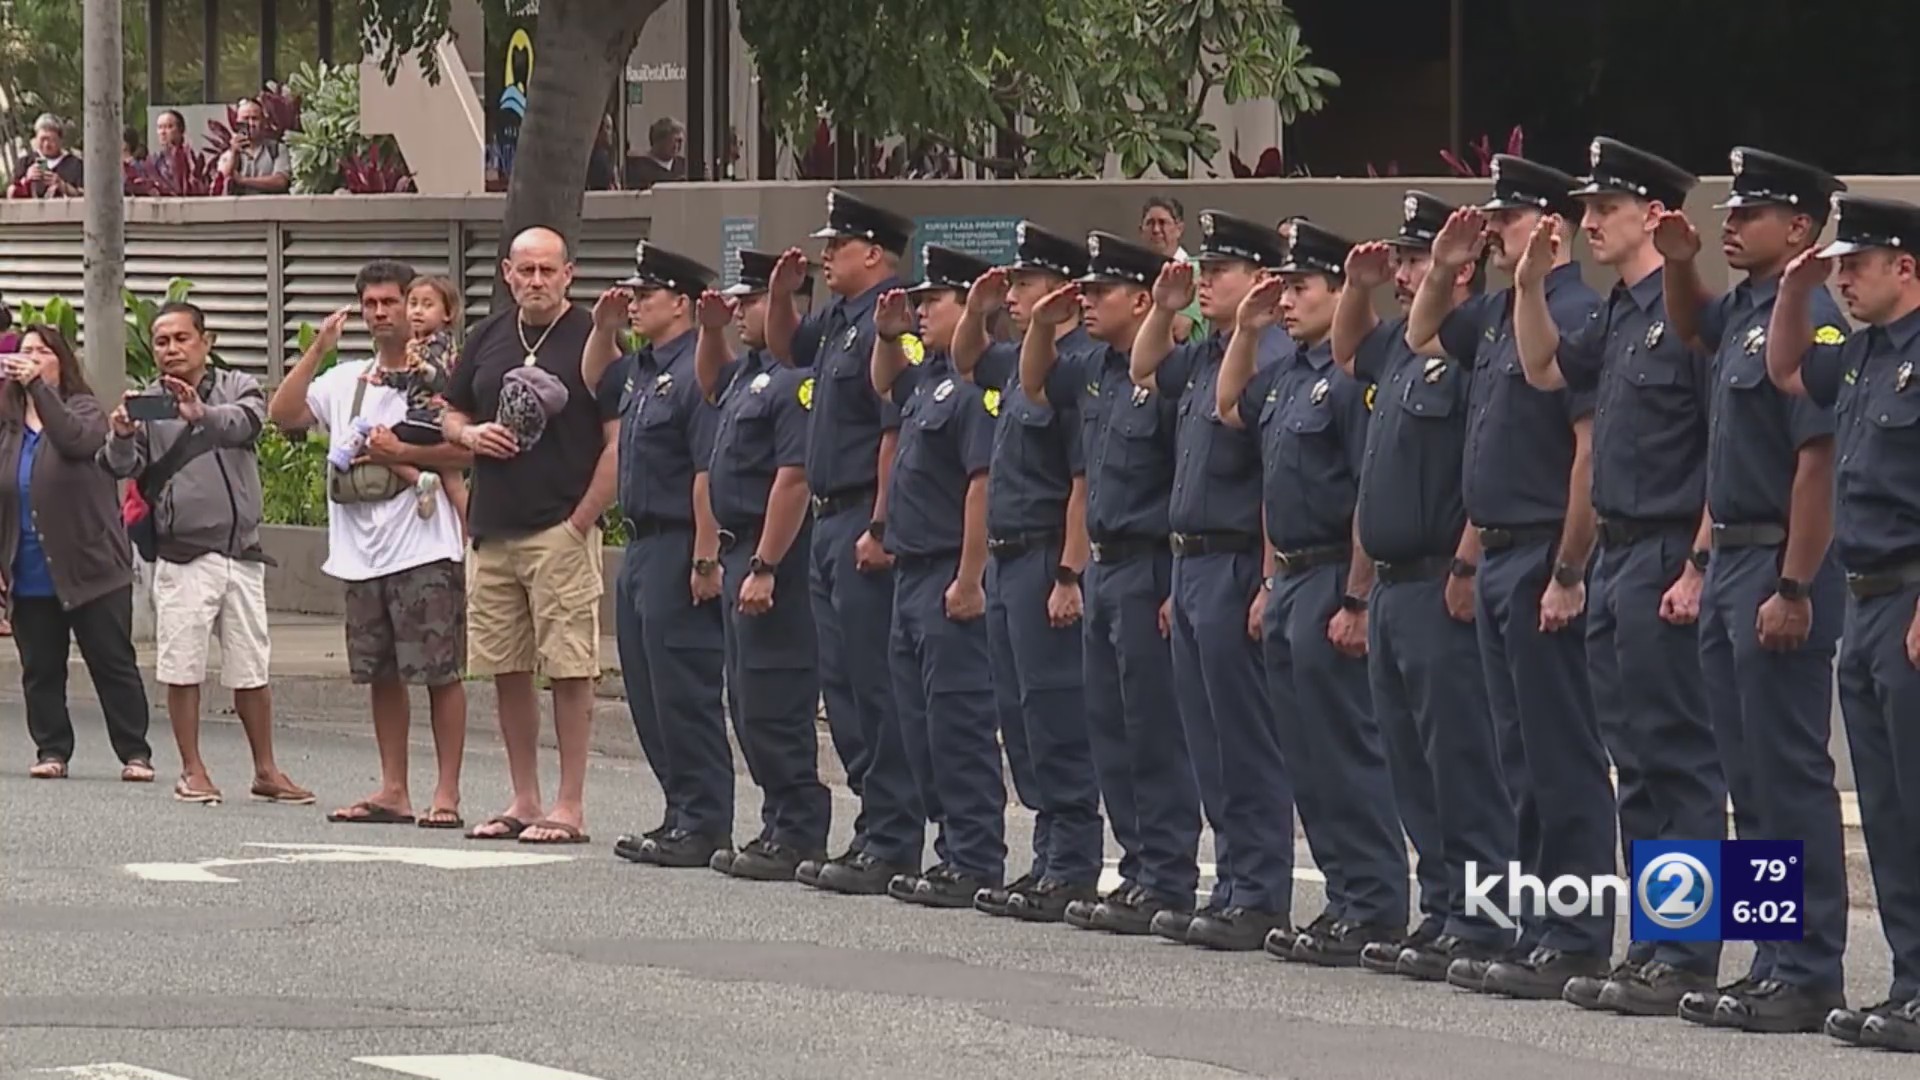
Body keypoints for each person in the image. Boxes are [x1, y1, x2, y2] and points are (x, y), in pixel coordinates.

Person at [1510, 137, 1730, 1008]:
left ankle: (1695, 947)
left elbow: (1727, 448)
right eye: (1585, 209)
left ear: (1654, 216)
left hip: (1672, 549)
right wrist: (1528, 286)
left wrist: (1701, 561)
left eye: (1605, 208)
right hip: (1620, 556)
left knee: (1684, 762)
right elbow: (1541, 367)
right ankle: (1659, 937)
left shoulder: (1688, 316)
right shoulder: (1617, 315)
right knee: (1636, 761)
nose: (1588, 222)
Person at [1655, 148, 1859, 1036]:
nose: (1730, 225)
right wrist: (1677, 260)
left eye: (1753, 213)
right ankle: (1769, 958)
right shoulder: (1744, 310)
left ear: (1802, 230)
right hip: (1731, 557)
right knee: (1746, 777)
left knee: (1787, 774)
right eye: (1729, 212)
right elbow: (1692, 322)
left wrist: (1794, 585)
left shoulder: (1813, 321)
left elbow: (1816, 468)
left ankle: (1810, 968)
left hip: (1781, 561)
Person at [1405, 156, 1613, 997]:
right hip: (1495, 553)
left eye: (1512, 217)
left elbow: (1585, 456)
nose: (1497, 228)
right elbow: (1423, 332)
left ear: (1552, 228)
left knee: (1564, 756)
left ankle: (1579, 932)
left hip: (1540, 552)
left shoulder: (1575, 312)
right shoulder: (1496, 311)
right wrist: (1454, 263)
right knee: (1515, 754)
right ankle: (1538, 923)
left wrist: (1567, 567)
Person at [1218, 220, 1416, 968]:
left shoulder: (1348, 383)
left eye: (1302, 287)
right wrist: (1246, 328)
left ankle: (1376, 902)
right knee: (1307, 755)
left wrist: (1357, 597)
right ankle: (1345, 898)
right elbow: (1232, 408)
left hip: (1338, 572)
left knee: (1348, 748)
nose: (1288, 299)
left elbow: (1369, 492)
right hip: (1293, 576)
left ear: (1343, 292)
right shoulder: (1291, 375)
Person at [1332, 194, 1517, 981]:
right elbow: (1349, 351)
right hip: (1394, 583)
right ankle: (1443, 907)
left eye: (1414, 260)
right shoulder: (1403, 351)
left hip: (1444, 575)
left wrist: (1469, 562)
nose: (1404, 274)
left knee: (1462, 760)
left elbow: (1486, 461)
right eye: (1404, 262)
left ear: (1460, 263)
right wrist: (1357, 285)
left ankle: (1485, 917)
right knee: (1411, 759)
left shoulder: (1472, 348)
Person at [1767, 194, 1920, 1050]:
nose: (1843, 281)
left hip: (1904, 592)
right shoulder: (1859, 355)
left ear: (1906, 266)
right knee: (1891, 810)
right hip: (1862, 596)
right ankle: (1908, 982)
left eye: (1855, 267)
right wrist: (1799, 290)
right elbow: (1791, 372)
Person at [1019, 231, 1203, 935]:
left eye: (1101, 292)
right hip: (1104, 564)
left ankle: (1168, 874)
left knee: (1154, 728)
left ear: (1141, 298)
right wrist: (1042, 323)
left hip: (1150, 560)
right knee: (1110, 725)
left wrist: (1169, 587)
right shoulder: (1093, 368)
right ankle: (1135, 867)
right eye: (1083, 291)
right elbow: (1037, 380)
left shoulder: (1167, 372)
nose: (1087, 302)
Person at [1129, 211, 1292, 951]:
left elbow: (1270, 482)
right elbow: (1143, 370)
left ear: (1259, 278)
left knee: (1244, 738)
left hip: (1233, 561)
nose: (1206, 281)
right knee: (1207, 737)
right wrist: (1164, 310)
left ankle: (1258, 891)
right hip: (1190, 563)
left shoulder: (1270, 354)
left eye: (1220, 271)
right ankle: (1230, 883)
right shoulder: (1204, 355)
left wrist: (1266, 579)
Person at [267, 261, 472, 830]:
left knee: (439, 671)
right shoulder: (346, 380)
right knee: (380, 672)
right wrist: (317, 351)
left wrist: (398, 457)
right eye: (371, 304)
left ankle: (447, 792)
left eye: (392, 302)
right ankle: (394, 788)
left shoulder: (439, 379)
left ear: (415, 307)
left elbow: (465, 453)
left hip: (423, 546)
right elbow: (282, 414)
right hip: (358, 550)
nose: (382, 313)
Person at [762, 190, 926, 895]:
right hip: (829, 520)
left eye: (838, 246)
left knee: (874, 687)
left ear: (875, 253)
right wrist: (780, 295)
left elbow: (895, 427)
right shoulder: (837, 320)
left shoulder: (895, 323)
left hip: (863, 515)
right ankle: (872, 826)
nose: (826, 256)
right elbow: (783, 344)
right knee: (846, 689)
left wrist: (882, 525)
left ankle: (893, 834)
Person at [442, 227, 620, 845]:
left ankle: (569, 805)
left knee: (570, 669)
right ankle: (524, 797)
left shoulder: (593, 340)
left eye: (548, 270)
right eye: (526, 271)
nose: (537, 281)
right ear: (507, 274)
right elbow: (450, 408)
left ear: (569, 273)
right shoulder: (488, 336)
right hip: (493, 528)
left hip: (559, 527)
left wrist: (582, 520)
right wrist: (467, 437)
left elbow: (619, 438)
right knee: (506, 668)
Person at [953, 223, 1105, 922]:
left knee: (1054, 711)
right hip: (1009, 558)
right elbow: (966, 359)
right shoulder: (1020, 362)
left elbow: (1080, 481)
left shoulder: (1076, 367)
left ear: (1062, 292)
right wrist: (981, 308)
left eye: (1024, 285)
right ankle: (1046, 856)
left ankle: (1071, 861)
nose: (1013, 296)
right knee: (1018, 714)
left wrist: (1070, 574)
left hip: (1047, 554)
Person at [101, 302, 309, 805]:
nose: (171, 349)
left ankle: (266, 770)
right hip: (182, 554)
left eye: (181, 338)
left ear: (205, 341)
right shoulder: (148, 403)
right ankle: (192, 769)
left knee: (251, 667)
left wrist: (201, 412)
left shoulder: (238, 385)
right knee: (183, 665)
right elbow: (120, 466)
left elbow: (250, 424)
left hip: (242, 551)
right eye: (162, 341)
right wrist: (122, 435)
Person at [579, 245, 739, 873]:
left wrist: (705, 556)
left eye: (648, 294)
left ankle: (705, 819)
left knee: (684, 688)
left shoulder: (699, 371)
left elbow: (707, 470)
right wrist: (603, 327)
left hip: (680, 541)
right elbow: (597, 379)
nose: (636, 302)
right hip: (642, 541)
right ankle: (679, 810)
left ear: (683, 303)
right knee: (647, 690)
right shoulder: (643, 368)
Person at [687, 250, 833, 879]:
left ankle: (800, 826)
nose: (740, 313)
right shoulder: (748, 372)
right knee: (745, 698)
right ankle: (777, 821)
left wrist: (767, 563)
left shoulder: (794, 376)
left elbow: (793, 479)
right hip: (739, 543)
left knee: (776, 695)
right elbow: (709, 383)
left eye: (748, 303)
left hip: (775, 550)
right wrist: (711, 328)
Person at [871, 246, 1006, 908]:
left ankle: (975, 853)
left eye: (934, 303)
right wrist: (888, 334)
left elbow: (980, 485)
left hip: (947, 567)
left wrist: (970, 576)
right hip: (910, 568)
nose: (921, 313)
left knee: (957, 721)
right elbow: (883, 383)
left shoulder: (976, 392)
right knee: (917, 722)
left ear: (971, 308)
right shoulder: (930, 382)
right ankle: (950, 846)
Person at [0, 326, 152, 782]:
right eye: (23, 352)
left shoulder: (83, 410)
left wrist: (39, 390)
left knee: (111, 660)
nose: (30, 358)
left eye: (42, 352)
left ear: (61, 362)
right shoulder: (6, 426)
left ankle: (134, 751)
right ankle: (52, 748)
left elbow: (74, 441)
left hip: (91, 565)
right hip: (28, 566)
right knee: (40, 667)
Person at [386, 274, 473, 527]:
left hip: (428, 419)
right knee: (453, 479)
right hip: (438, 422)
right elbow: (410, 381)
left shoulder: (437, 343)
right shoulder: (419, 344)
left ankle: (420, 480)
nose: (417, 311)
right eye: (412, 303)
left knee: (379, 445)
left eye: (427, 305)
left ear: (448, 314)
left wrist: (423, 367)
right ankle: (471, 537)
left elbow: (444, 381)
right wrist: (386, 379)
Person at [1140, 196, 1202, 343]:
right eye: (1150, 223)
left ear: (1179, 229)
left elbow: (1179, 329)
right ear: (1141, 231)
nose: (1156, 230)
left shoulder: (1194, 270)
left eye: (1163, 223)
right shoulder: (1137, 273)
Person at [217, 97, 291, 196]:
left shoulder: (277, 149)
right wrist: (234, 153)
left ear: (264, 122)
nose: (251, 124)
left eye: (255, 118)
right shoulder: (229, 154)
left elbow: (280, 182)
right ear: (237, 123)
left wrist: (243, 181)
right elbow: (223, 180)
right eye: (246, 118)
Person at [8, 114, 83, 199]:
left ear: (61, 139)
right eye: (42, 139)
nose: (46, 144)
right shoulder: (24, 163)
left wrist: (62, 186)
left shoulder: (76, 165)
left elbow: (86, 197)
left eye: (51, 140)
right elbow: (9, 194)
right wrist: (26, 180)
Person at [626, 117, 687, 191]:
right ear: (659, 141)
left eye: (681, 141)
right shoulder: (635, 167)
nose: (678, 146)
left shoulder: (685, 166)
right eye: (676, 141)